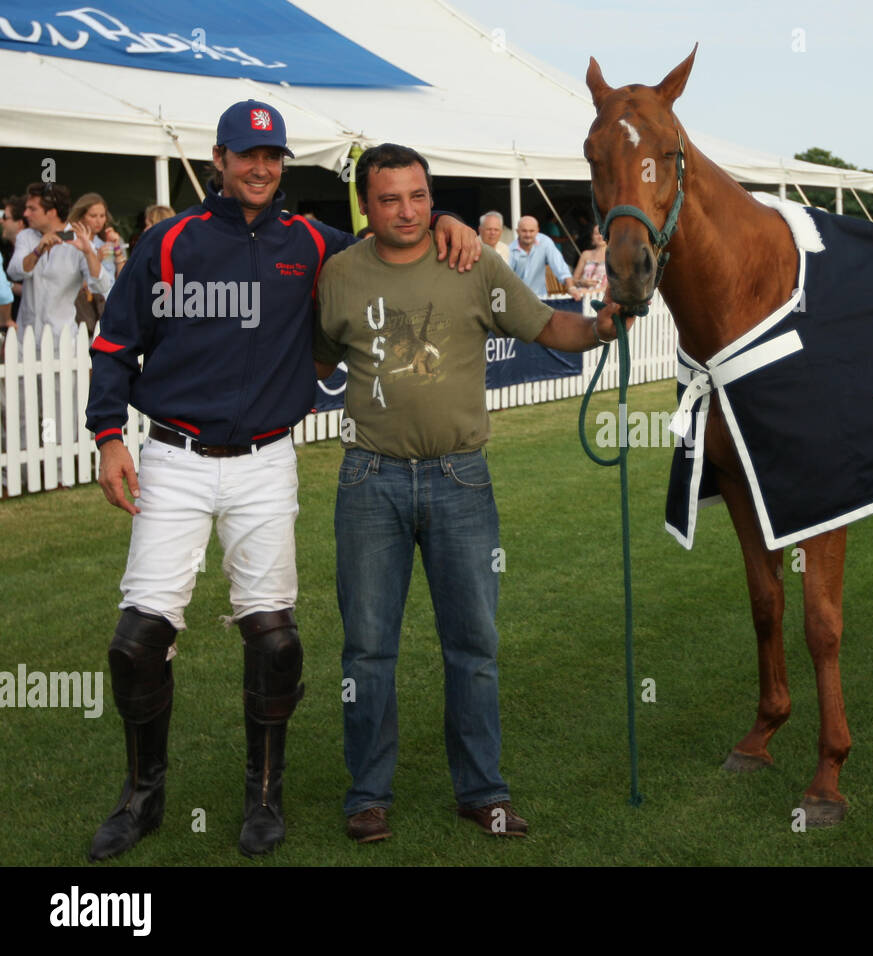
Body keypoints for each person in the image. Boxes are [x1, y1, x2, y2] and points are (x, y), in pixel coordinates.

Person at [83, 100, 480, 862]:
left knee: (274, 640)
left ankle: (263, 795)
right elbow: (113, 346)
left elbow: (394, 235)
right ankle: (142, 796)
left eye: (273, 156)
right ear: (220, 159)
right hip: (173, 458)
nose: (261, 168)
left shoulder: (315, 243)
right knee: (137, 642)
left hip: (267, 461)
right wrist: (108, 438)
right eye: (246, 155)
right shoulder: (167, 244)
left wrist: (452, 221)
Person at [312, 143, 630, 844]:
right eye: (389, 198)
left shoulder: (471, 260)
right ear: (367, 204)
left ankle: (482, 790)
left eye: (419, 196)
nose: (406, 211)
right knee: (367, 649)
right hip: (370, 480)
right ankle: (368, 795)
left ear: (433, 197)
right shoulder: (338, 275)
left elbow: (549, 326)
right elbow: (315, 355)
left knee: (474, 644)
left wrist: (601, 324)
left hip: (461, 478)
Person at [6, 183, 112, 352]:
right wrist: (38, 250)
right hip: (25, 341)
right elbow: (15, 272)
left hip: (63, 343)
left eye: (32, 209)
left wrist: (88, 252)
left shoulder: (79, 237)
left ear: (51, 212)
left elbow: (102, 286)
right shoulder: (25, 237)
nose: (25, 214)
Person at [68, 192, 127, 335]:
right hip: (87, 310)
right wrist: (96, 258)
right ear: (81, 216)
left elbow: (124, 279)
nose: (98, 221)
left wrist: (117, 248)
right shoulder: (73, 242)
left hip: (111, 305)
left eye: (102, 215)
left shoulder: (107, 240)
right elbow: (72, 281)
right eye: (93, 216)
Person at [510, 215, 582, 300]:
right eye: (524, 231)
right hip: (517, 299)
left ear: (537, 231)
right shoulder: (510, 250)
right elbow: (504, 279)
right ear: (517, 231)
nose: (528, 234)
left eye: (531, 231)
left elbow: (561, 268)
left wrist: (571, 288)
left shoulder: (545, 242)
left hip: (540, 299)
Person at [572, 223, 608, 296]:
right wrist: (582, 282)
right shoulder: (585, 254)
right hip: (582, 294)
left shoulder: (614, 256)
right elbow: (574, 280)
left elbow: (616, 286)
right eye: (596, 234)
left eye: (603, 233)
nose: (600, 236)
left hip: (604, 296)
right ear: (592, 237)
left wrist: (591, 292)